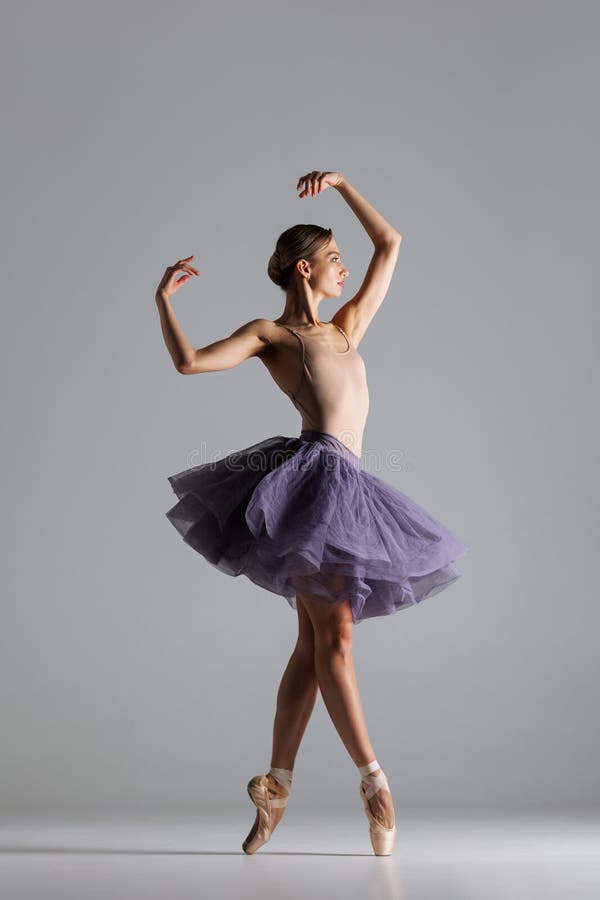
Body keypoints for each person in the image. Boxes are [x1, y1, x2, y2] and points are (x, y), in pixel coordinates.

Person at [155, 170, 469, 856]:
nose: (344, 267)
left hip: (349, 489)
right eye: (333, 258)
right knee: (338, 643)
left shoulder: (348, 327)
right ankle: (374, 784)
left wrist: (345, 185)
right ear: (306, 268)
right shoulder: (273, 335)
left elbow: (390, 242)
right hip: (311, 485)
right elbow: (190, 364)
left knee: (312, 646)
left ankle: (275, 786)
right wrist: (163, 302)